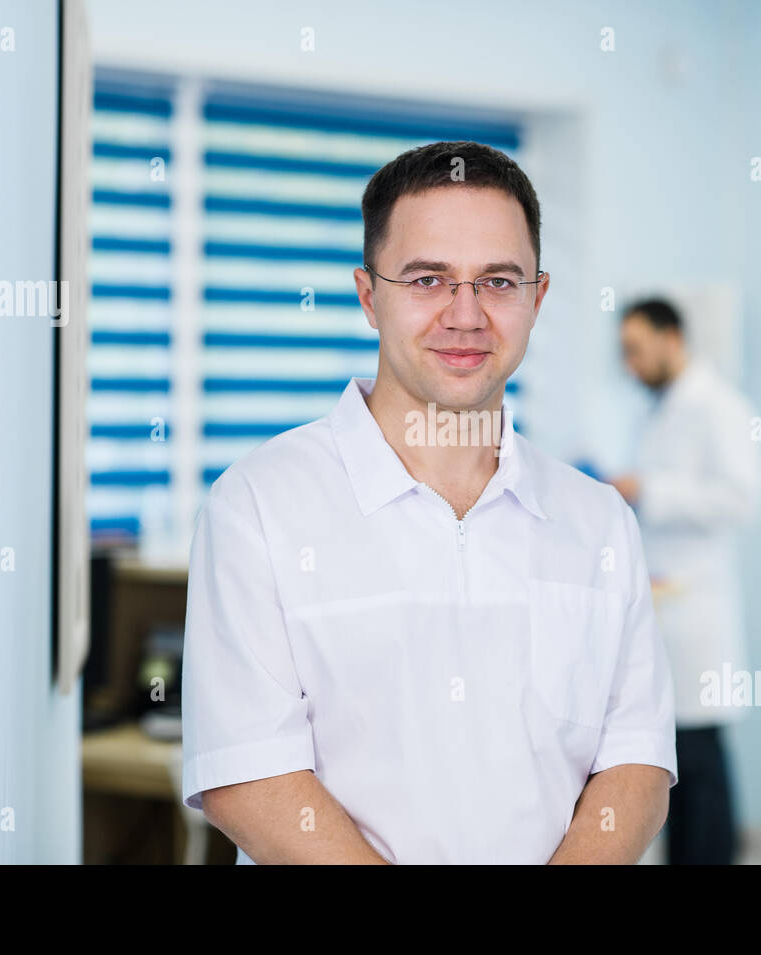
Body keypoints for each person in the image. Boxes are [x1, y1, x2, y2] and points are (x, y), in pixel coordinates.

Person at [179, 141, 678, 864]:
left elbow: (636, 760)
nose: (466, 314)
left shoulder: (598, 520)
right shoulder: (258, 504)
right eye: (428, 279)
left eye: (499, 281)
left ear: (538, 298)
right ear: (367, 295)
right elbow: (247, 774)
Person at [608, 298, 761, 865]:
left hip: (695, 613)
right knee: (679, 767)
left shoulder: (719, 408)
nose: (629, 364)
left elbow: (742, 499)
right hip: (662, 605)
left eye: (636, 349)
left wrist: (649, 489)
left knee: (699, 765)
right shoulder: (655, 409)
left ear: (671, 337)